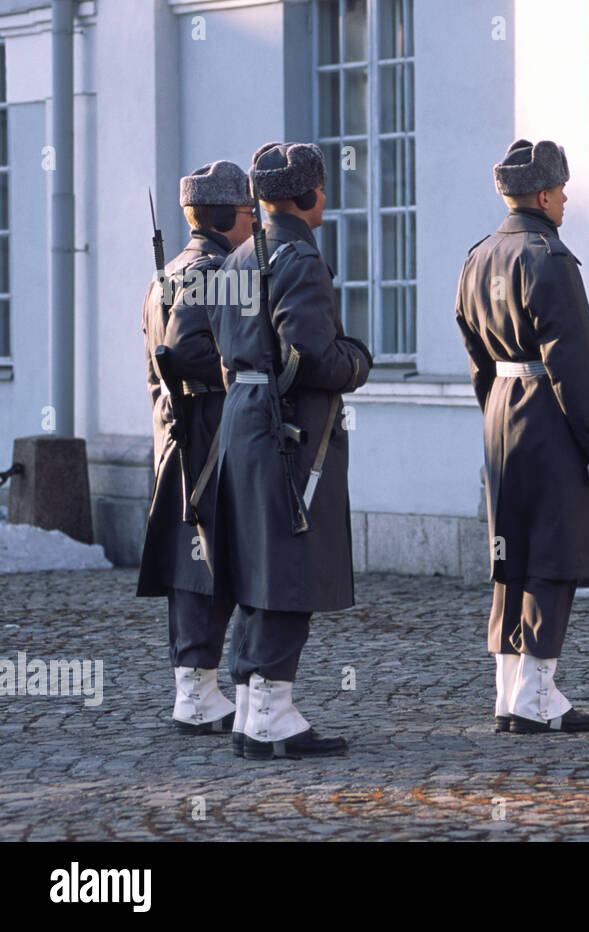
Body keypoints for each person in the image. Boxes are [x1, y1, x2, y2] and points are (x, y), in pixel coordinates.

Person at [208, 142, 372, 759]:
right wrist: (358, 359)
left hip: (244, 419)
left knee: (258, 567)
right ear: (305, 196)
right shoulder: (298, 255)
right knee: (288, 566)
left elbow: (227, 344)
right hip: (288, 429)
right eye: (321, 189)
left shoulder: (239, 257)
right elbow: (312, 356)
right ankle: (273, 714)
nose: (325, 198)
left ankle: (255, 709)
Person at [455, 138, 589, 734]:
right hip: (549, 416)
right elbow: (573, 358)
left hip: (502, 411)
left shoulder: (478, 257)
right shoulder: (547, 256)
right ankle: (538, 693)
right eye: (562, 190)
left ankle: (509, 692)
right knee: (554, 553)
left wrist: (493, 412)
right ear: (545, 194)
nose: (567, 198)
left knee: (511, 557)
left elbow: (476, 356)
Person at [137, 161, 255, 735]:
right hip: (205, 422)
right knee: (206, 556)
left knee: (196, 556)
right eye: (249, 213)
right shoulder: (213, 271)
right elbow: (188, 352)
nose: (254, 223)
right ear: (228, 215)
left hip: (175, 422)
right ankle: (199, 690)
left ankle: (197, 688)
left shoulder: (169, 272)